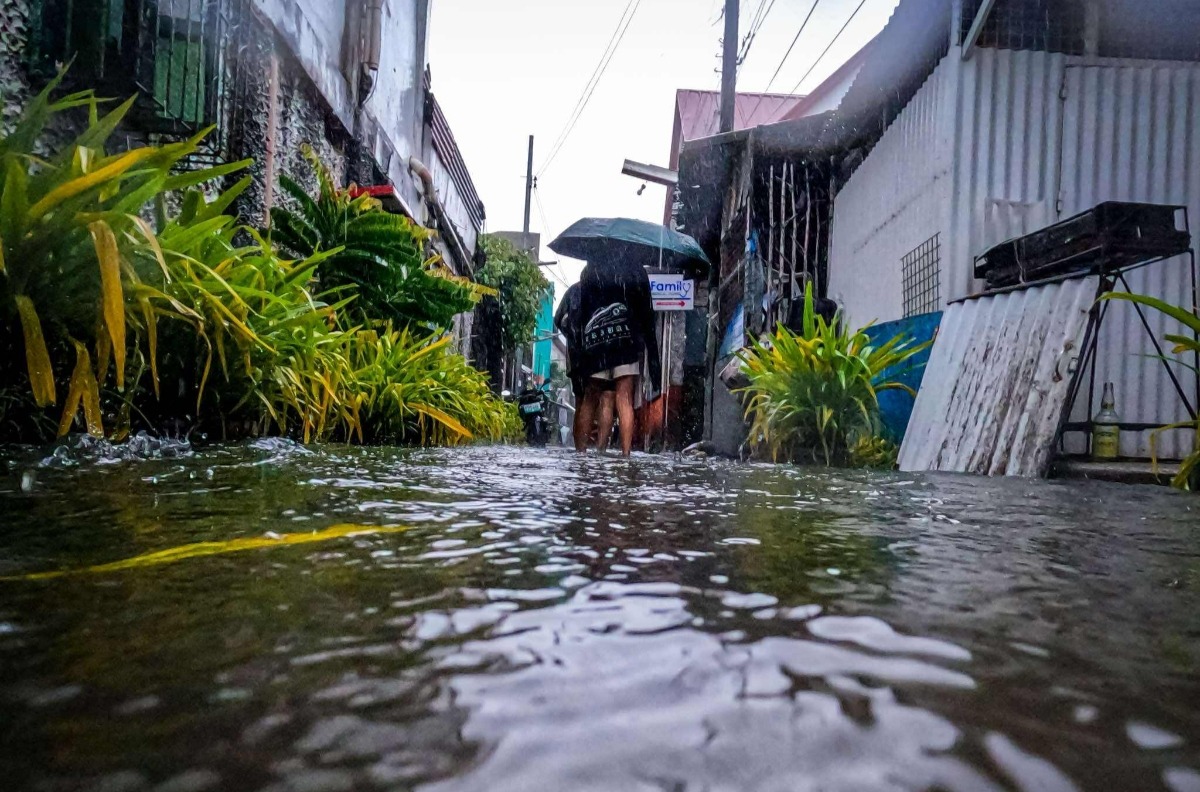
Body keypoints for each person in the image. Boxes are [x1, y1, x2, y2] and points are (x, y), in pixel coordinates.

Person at [573, 260, 661, 456]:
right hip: (625, 341)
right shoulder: (636, 270)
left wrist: (582, 347)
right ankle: (626, 454)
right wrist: (651, 352)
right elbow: (647, 314)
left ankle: (581, 453)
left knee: (590, 397)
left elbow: (583, 311)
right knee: (624, 399)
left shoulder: (590, 270)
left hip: (596, 341)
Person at [554, 281, 615, 451]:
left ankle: (580, 450)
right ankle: (600, 450)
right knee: (605, 398)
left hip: (577, 354)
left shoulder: (574, 290)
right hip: (601, 351)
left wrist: (573, 336)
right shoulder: (607, 289)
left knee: (582, 400)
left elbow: (558, 319)